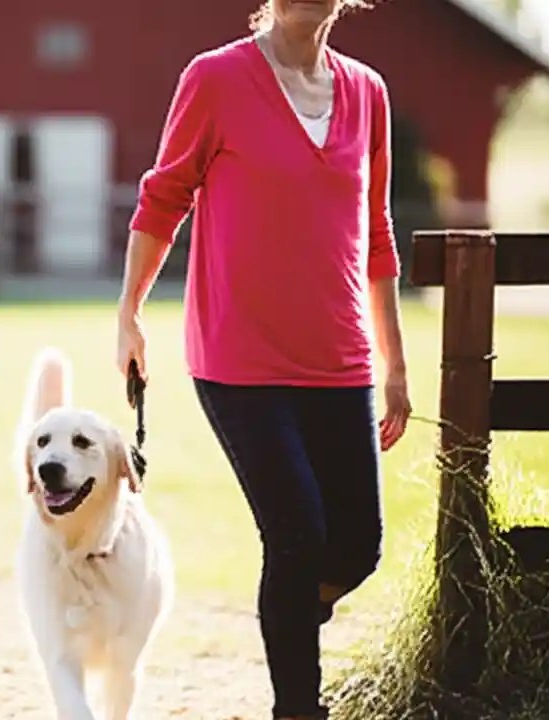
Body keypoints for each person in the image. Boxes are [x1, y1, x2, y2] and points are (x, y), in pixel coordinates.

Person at [114, 1, 412, 718]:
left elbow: (374, 229)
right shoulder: (215, 79)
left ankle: (287, 615)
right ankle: (299, 709)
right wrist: (129, 313)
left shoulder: (368, 92)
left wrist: (395, 363)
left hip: (340, 358)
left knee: (357, 548)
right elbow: (164, 199)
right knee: (297, 535)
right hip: (237, 358)